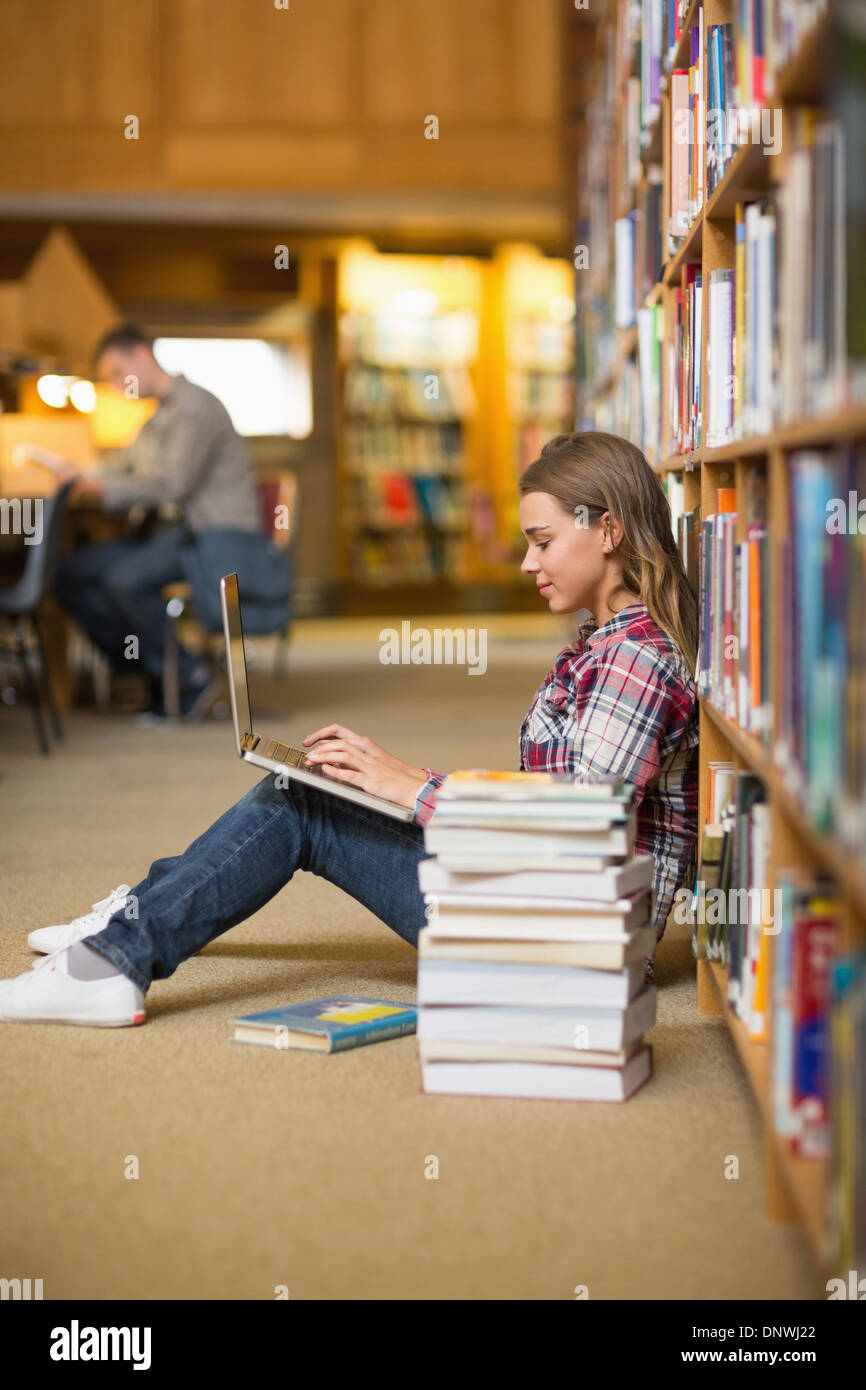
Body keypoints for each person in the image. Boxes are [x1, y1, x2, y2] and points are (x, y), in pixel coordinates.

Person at [0, 431, 699, 1027]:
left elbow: (578, 819)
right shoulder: (612, 642)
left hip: (556, 943)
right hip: (536, 903)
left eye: (542, 541)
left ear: (608, 529)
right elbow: (558, 794)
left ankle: (118, 957)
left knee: (301, 802)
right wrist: (404, 781)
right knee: (316, 781)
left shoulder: (635, 660)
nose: (526, 562)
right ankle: (139, 919)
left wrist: (413, 790)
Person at [53, 324, 266, 720]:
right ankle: (145, 672)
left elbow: (171, 484)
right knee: (70, 572)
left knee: (122, 579)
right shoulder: (160, 415)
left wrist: (100, 491)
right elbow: (124, 464)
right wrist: (85, 476)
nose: (117, 386)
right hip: (170, 533)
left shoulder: (193, 408)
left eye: (118, 373)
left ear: (141, 355)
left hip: (211, 535)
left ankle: (188, 677)